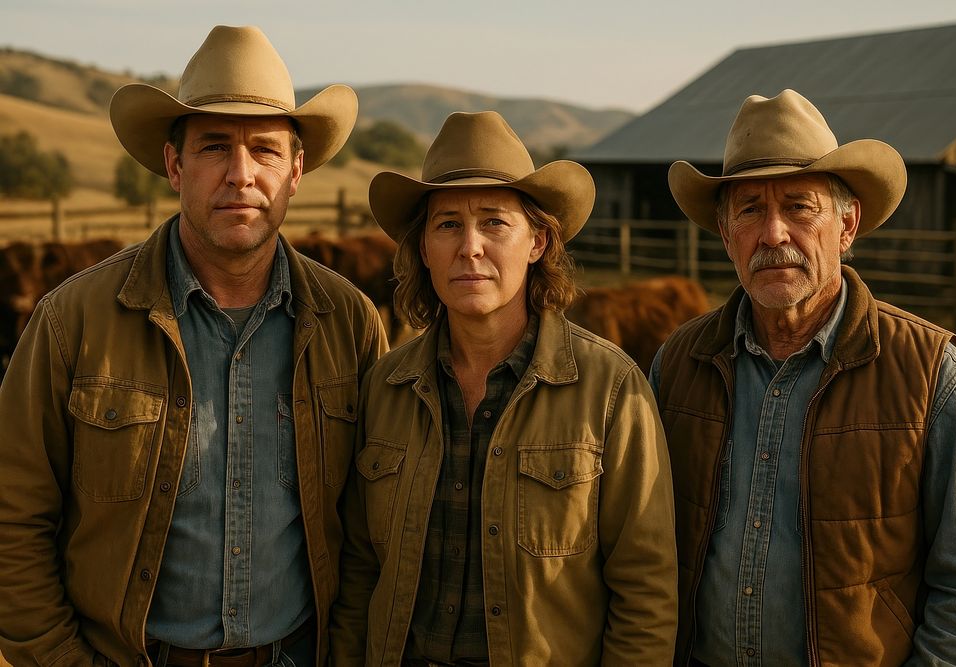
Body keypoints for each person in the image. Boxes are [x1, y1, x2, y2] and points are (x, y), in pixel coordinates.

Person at [0, 25, 388, 667]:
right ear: (175, 166)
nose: (241, 175)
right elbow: (12, 516)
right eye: (214, 148)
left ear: (296, 171)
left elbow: (370, 528)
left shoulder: (348, 323)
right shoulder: (74, 320)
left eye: (264, 150)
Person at [649, 89, 956, 665]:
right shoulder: (677, 364)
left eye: (799, 207)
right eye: (750, 210)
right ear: (725, 232)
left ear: (847, 225)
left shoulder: (934, 374)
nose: (774, 234)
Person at [329, 111, 678, 665]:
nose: (469, 247)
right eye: (446, 225)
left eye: (494, 222)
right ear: (423, 249)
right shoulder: (386, 388)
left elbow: (646, 588)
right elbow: (358, 573)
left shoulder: (610, 389)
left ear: (537, 242)